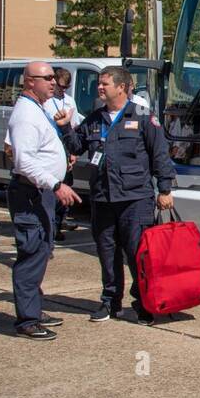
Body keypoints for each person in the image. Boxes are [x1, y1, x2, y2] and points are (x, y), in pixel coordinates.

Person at [62, 66, 175, 324]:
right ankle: (110, 302)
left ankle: (144, 303)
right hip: (103, 198)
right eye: (99, 84)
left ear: (121, 87)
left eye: (104, 84)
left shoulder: (144, 116)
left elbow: (160, 153)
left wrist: (165, 189)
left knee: (138, 255)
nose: (99, 88)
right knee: (107, 252)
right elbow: (77, 146)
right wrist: (66, 127)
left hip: (135, 199)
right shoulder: (94, 118)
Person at [5, 61, 81, 340]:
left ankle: (34, 309)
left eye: (53, 78)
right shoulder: (25, 114)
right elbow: (23, 161)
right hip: (31, 193)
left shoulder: (40, 108)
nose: (54, 82)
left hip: (41, 194)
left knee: (41, 250)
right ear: (29, 81)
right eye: (47, 78)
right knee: (32, 253)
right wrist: (55, 184)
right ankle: (27, 320)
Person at [46, 67, 84, 241]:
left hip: (66, 147)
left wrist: (73, 153)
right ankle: (50, 226)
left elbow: (74, 126)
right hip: (52, 147)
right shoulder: (46, 101)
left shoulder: (69, 101)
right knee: (53, 190)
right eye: (61, 86)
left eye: (66, 87)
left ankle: (59, 222)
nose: (63, 90)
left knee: (67, 185)